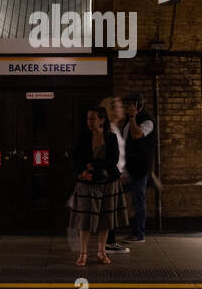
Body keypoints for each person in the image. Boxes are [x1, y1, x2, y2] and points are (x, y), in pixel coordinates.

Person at [67, 106, 126, 266]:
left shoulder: (111, 137)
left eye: (92, 118)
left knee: (105, 218)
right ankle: (83, 253)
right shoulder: (83, 136)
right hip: (86, 182)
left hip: (107, 182)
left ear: (101, 119)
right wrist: (81, 172)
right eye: (88, 118)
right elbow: (75, 157)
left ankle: (101, 252)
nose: (89, 122)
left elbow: (112, 160)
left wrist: (93, 166)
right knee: (84, 219)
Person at [120, 91, 156, 244]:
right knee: (133, 200)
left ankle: (139, 234)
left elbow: (137, 135)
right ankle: (133, 231)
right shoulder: (128, 121)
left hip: (140, 168)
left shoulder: (147, 121)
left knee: (138, 200)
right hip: (130, 166)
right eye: (126, 105)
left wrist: (133, 116)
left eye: (130, 105)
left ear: (137, 105)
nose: (127, 107)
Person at [100, 96, 130, 255]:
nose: (121, 109)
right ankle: (108, 243)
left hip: (116, 176)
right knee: (109, 210)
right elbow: (111, 156)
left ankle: (109, 242)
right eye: (118, 107)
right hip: (111, 177)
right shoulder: (110, 130)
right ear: (110, 110)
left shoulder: (115, 128)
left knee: (112, 210)